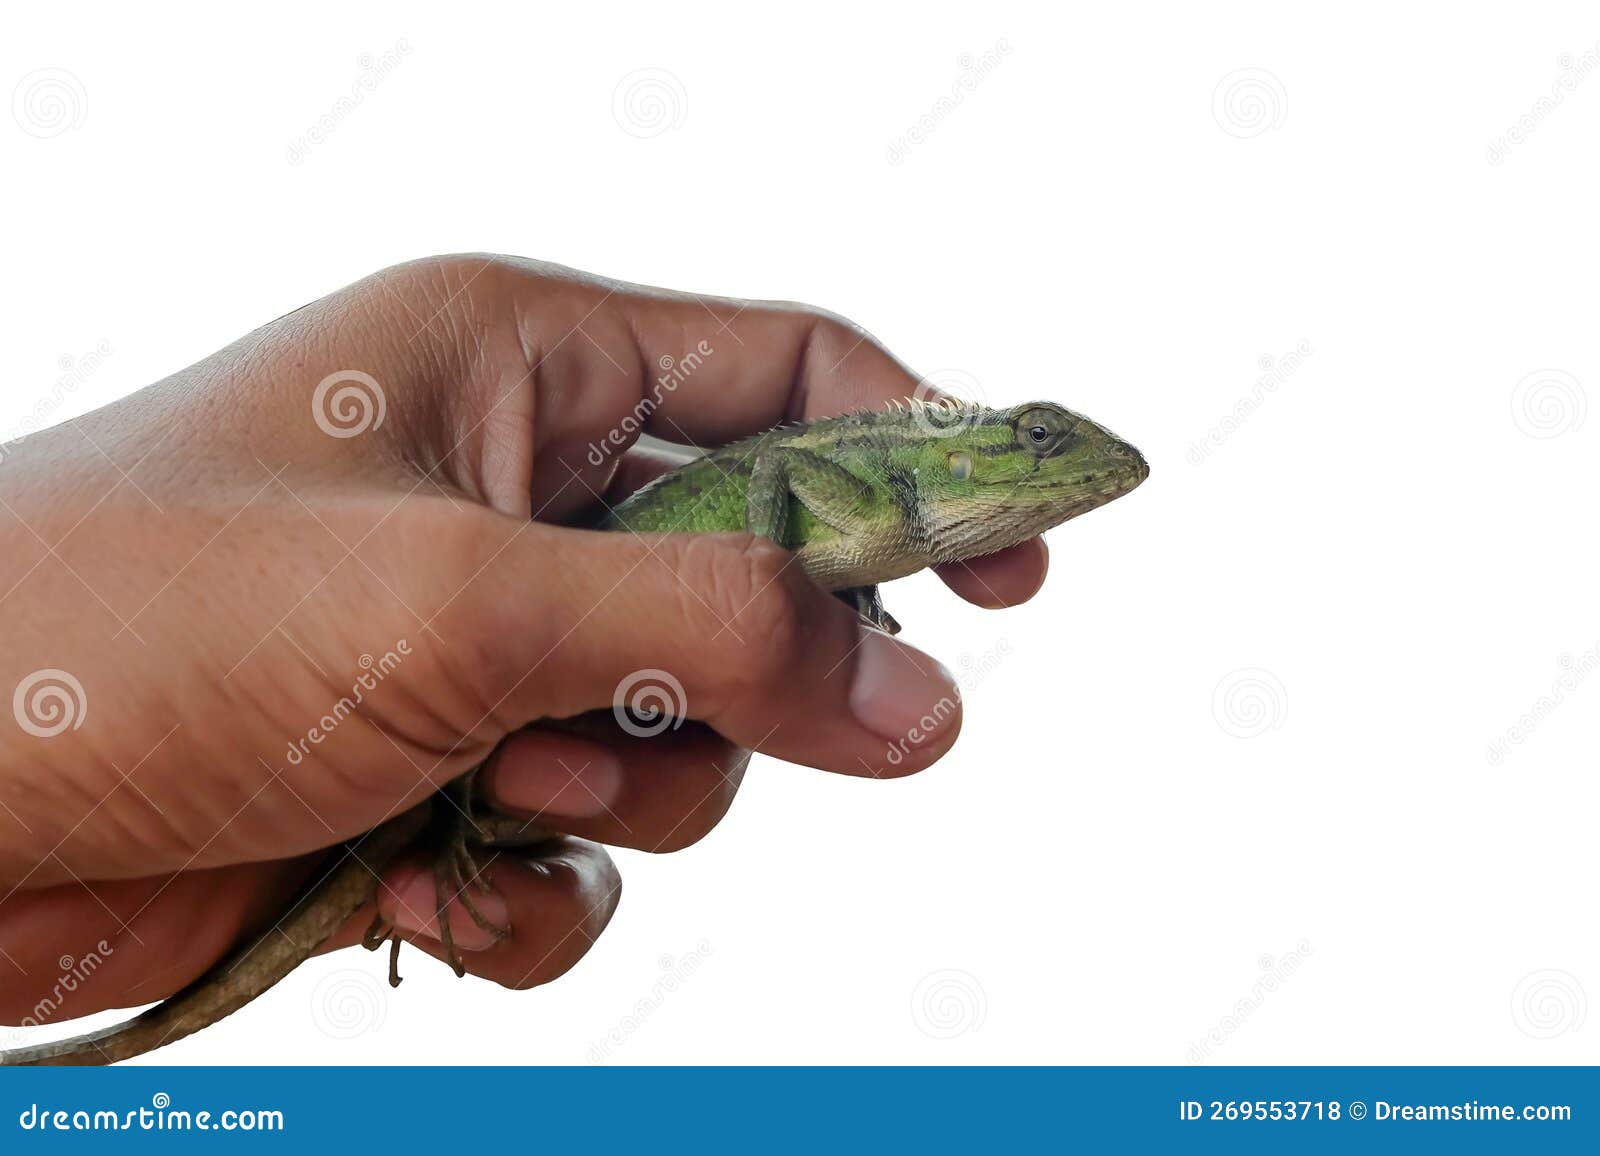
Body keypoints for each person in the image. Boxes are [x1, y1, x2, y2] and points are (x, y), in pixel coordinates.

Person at [0, 255, 1047, 1026]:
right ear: (975, 448)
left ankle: (431, 843)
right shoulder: (862, 476)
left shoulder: (879, 499)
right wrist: (758, 599)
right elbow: (773, 483)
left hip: (424, 759)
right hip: (483, 721)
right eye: (1037, 437)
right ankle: (445, 834)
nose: (1062, 466)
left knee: (533, 793)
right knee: (515, 793)